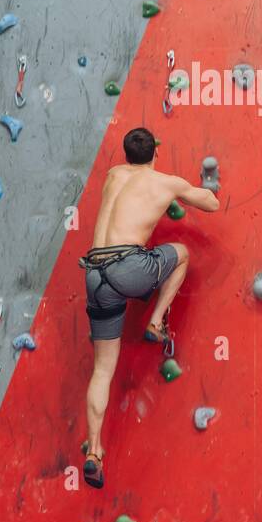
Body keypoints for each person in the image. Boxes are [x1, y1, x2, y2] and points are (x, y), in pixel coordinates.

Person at [79, 127, 219, 488]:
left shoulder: (113, 175)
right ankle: (155, 322)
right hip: (128, 267)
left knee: (102, 370)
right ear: (155, 152)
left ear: (126, 153)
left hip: (95, 273)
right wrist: (205, 185)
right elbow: (211, 203)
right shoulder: (165, 182)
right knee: (182, 255)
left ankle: (94, 450)